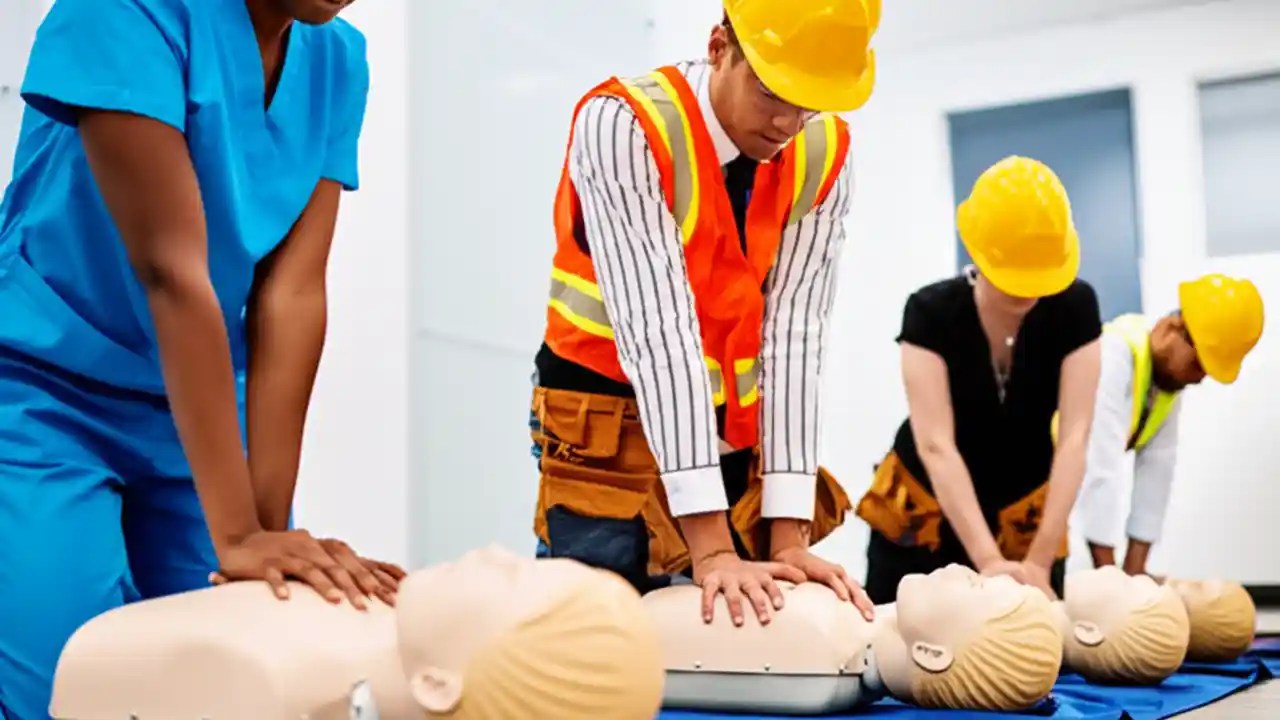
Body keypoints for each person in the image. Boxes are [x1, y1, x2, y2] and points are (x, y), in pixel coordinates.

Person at [0, 1, 401, 717]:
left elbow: (293, 294)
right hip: (37, 393)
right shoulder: (123, 13)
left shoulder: (339, 58)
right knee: (62, 682)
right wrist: (239, 534)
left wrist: (269, 531)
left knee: (231, 673)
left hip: (192, 409)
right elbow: (170, 271)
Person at [527, 0, 879, 628]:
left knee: (726, 631)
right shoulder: (625, 125)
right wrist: (711, 543)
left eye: (812, 101)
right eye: (772, 91)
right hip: (603, 417)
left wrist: (788, 533)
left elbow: (795, 337)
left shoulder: (823, 150)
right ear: (719, 46)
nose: (788, 123)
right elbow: (658, 335)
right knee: (590, 635)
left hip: (726, 429)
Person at [855, 155, 1102, 604]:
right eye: (1015, 274)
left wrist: (1040, 561)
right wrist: (987, 561)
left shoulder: (1076, 308)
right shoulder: (930, 313)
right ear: (978, 251)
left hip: (1025, 521)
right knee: (908, 651)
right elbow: (935, 444)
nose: (1028, 290)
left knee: (1028, 653)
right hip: (924, 515)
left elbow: (1075, 437)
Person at [1073, 274, 1264, 577]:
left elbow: (1157, 473)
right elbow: (1101, 467)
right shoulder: (1114, 355)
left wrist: (1137, 569)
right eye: (1199, 364)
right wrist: (1110, 578)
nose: (1199, 378)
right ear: (1172, 329)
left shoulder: (1167, 383)